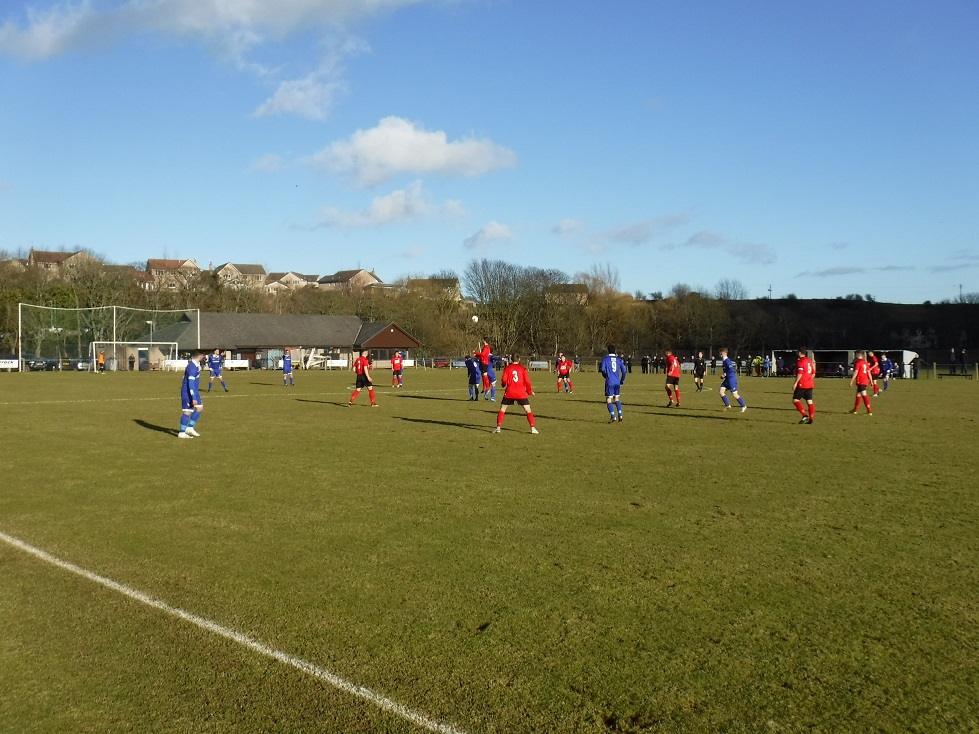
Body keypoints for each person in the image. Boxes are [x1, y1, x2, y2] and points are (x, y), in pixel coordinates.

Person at [493, 354, 538, 434]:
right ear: (519, 359)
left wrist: (503, 385)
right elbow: (527, 382)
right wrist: (529, 392)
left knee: (502, 409)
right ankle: (533, 428)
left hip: (510, 391)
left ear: (511, 359)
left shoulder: (507, 368)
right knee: (528, 410)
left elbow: (504, 380)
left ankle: (498, 427)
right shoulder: (523, 369)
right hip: (521, 392)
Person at [178, 351, 205, 439]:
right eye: (203, 355)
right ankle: (182, 433)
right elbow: (190, 383)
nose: (204, 357)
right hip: (188, 392)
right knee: (188, 411)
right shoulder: (192, 367)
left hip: (194, 392)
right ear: (200, 356)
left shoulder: (196, 364)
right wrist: (193, 397)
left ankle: (189, 427)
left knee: (200, 408)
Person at [599, 344, 626, 423]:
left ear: (608, 350)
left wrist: (605, 376)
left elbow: (602, 369)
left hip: (610, 382)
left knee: (608, 399)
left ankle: (613, 416)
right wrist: (622, 380)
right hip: (617, 382)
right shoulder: (619, 360)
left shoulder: (605, 359)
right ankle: (620, 415)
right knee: (616, 398)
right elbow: (624, 371)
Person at [718, 348, 747, 412]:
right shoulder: (724, 361)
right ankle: (728, 405)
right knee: (721, 392)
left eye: (720, 354)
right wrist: (724, 375)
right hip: (727, 379)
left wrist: (724, 375)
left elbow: (731, 370)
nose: (720, 355)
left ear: (723, 354)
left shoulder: (727, 361)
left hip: (731, 379)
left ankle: (743, 406)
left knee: (735, 394)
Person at [792, 348, 816, 424]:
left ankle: (804, 415)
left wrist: (795, 383)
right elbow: (813, 373)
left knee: (795, 400)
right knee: (809, 401)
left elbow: (800, 373)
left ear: (799, 353)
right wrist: (809, 380)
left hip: (802, 384)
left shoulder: (800, 361)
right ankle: (811, 418)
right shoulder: (809, 361)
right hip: (810, 384)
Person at [849, 350, 874, 415]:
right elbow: (869, 372)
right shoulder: (865, 362)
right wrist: (871, 381)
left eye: (856, 354)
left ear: (859, 355)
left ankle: (869, 411)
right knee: (858, 394)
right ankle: (855, 410)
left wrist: (851, 381)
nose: (855, 356)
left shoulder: (858, 362)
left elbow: (856, 372)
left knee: (864, 395)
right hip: (865, 380)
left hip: (861, 380)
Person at [476, 337, 497, 401]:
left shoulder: (486, 351)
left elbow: (481, 356)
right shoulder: (490, 355)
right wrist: (502, 359)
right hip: (489, 371)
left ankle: (486, 391)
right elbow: (495, 358)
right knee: (493, 384)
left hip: (484, 368)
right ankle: (492, 397)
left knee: (485, 378)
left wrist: (477, 354)